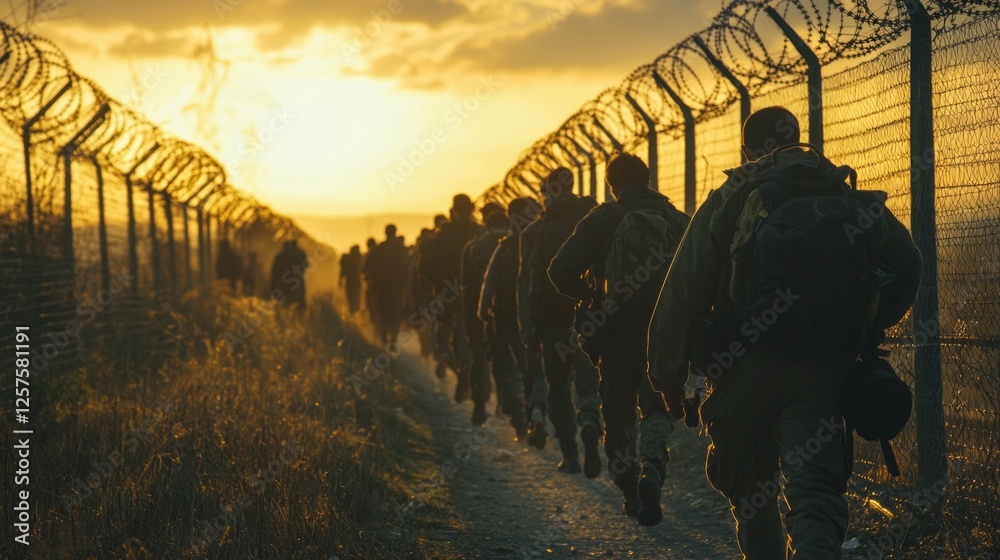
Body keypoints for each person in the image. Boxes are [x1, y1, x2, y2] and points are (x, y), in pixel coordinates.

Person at [647, 107, 923, 559]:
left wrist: (667, 377)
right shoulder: (840, 191)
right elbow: (909, 266)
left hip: (741, 366)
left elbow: (683, 289)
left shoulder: (731, 195)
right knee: (815, 494)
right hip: (823, 369)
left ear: (746, 151)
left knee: (752, 492)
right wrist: (865, 326)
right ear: (798, 138)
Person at [549, 152, 690, 525]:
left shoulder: (601, 219)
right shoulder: (677, 220)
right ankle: (653, 467)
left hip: (614, 332)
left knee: (618, 411)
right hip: (664, 331)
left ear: (612, 184)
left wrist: (593, 297)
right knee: (657, 407)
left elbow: (559, 271)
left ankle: (630, 489)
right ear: (648, 179)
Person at [520, 167, 602, 475]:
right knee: (589, 383)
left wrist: (529, 328)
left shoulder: (536, 230)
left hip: (551, 321)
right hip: (591, 316)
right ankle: (591, 420)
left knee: (558, 388)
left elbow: (529, 282)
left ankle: (570, 455)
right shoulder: (594, 219)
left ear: (547, 191)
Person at [482, 197, 547, 448]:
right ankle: (538, 408)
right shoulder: (542, 241)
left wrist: (484, 313)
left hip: (508, 318)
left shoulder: (505, 247)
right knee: (539, 368)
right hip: (539, 314)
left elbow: (489, 283)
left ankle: (521, 417)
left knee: (516, 367)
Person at [462, 202, 527, 432]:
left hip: (492, 313)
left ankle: (483, 403)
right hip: (522, 310)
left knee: (490, 359)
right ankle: (521, 409)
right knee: (522, 361)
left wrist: (476, 315)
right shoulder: (521, 241)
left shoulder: (474, 246)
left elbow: (469, 287)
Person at [419, 194, 483, 402]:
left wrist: (433, 287)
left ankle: (459, 368)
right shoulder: (479, 232)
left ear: (453, 210)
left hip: (448, 293)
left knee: (445, 336)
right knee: (474, 339)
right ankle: (475, 385)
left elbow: (424, 266)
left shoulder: (442, 235)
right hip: (476, 294)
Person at [364, 225, 409, 345]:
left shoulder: (379, 249)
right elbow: (407, 267)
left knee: (383, 313)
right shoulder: (401, 249)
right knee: (395, 313)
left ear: (385, 233)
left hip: (381, 288)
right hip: (397, 287)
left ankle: (384, 340)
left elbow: (366, 267)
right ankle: (393, 339)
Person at [271, 239, 308, 309]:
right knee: (299, 301)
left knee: (285, 303)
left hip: (284, 282)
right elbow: (306, 265)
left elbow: (274, 272)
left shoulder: (280, 256)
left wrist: (273, 286)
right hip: (297, 281)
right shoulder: (300, 253)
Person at [340, 245, 364, 314]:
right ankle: (355, 313)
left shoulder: (346, 258)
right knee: (356, 298)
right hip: (355, 281)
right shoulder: (358, 258)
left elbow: (342, 271)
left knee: (351, 298)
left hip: (350, 281)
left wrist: (340, 281)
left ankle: (353, 313)